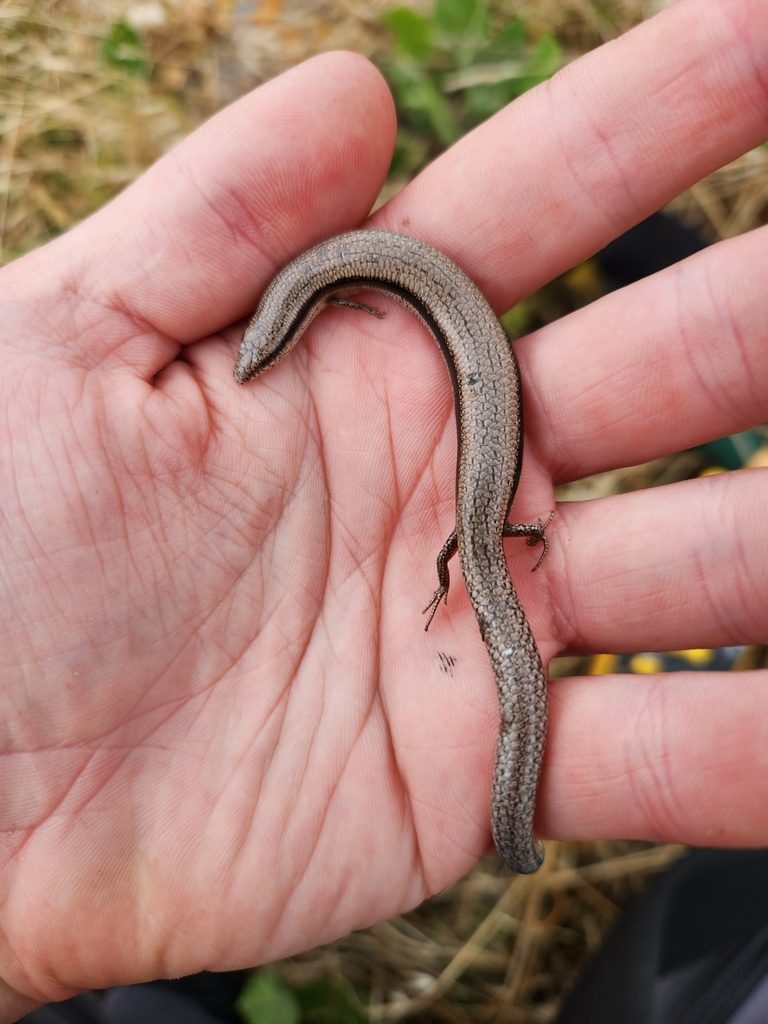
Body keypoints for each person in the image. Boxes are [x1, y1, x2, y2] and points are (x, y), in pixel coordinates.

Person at [0, 0, 766, 1017]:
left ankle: (517, 808)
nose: (261, 361)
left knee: (492, 575)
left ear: (306, 317)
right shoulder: (338, 288)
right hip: (476, 493)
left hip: (482, 488)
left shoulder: (356, 286)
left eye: (268, 348)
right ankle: (512, 813)